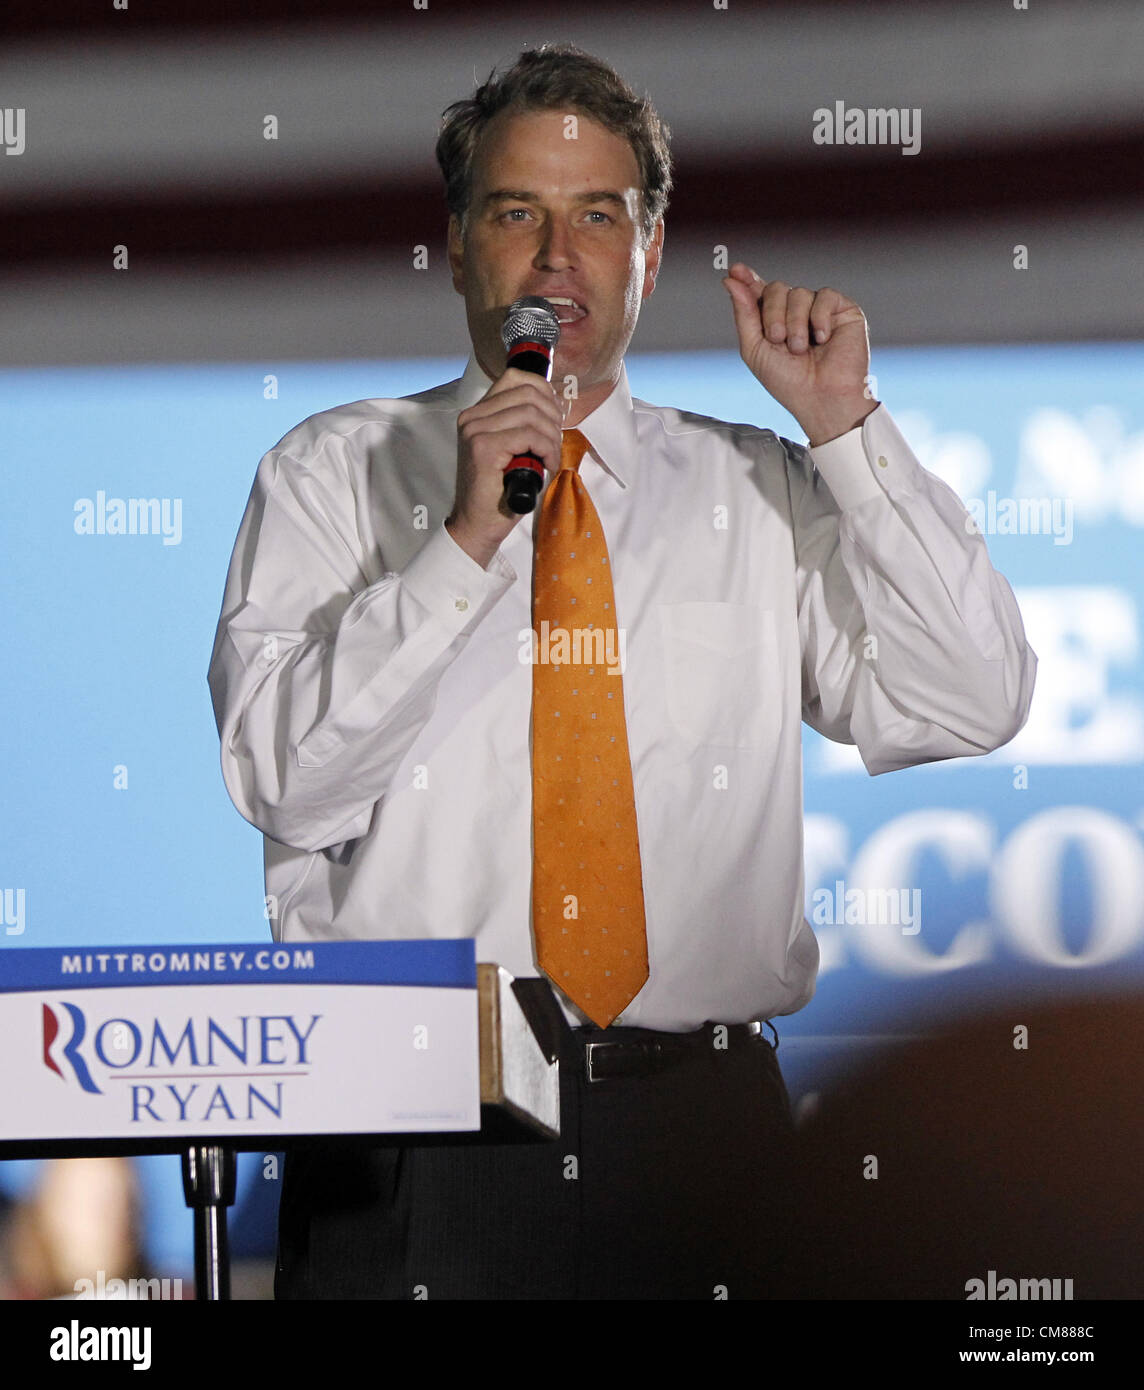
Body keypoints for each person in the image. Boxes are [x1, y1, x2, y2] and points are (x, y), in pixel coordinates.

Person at [207, 43, 1036, 1299]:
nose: (556, 255)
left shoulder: (762, 484)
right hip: (422, 1141)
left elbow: (976, 696)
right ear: (455, 245)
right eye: (515, 213)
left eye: (598, 214)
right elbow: (289, 785)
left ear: (649, 254)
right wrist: (466, 539)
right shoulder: (332, 473)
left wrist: (849, 432)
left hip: (707, 1141)